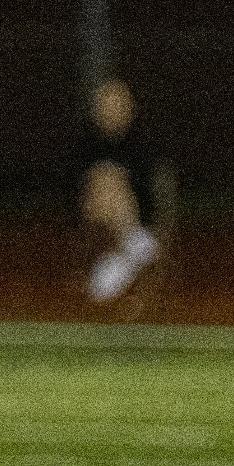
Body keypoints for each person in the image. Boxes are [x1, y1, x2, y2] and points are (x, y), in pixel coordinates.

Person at [76, 77, 161, 304]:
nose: (112, 110)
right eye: (107, 104)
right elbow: (77, 187)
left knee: (113, 181)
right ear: (97, 110)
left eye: (118, 103)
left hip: (136, 211)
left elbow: (147, 187)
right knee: (105, 179)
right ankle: (132, 243)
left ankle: (120, 260)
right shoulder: (85, 143)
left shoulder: (141, 142)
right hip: (95, 210)